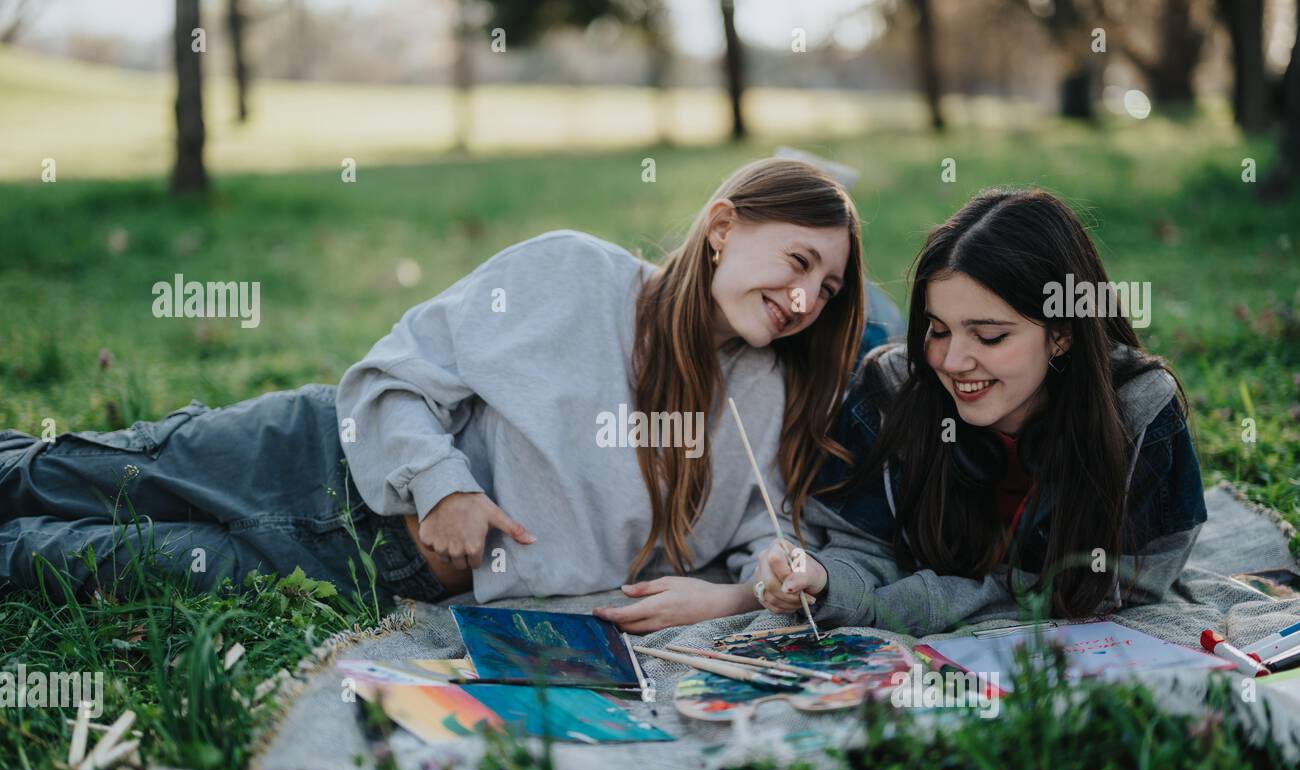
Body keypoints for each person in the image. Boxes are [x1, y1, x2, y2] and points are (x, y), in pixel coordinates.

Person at [1, 159, 872, 632]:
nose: (806, 301)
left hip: (383, 573)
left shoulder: (769, 395)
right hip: (314, 458)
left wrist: (734, 594)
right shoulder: (575, 273)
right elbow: (393, 375)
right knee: (65, 474)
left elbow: (771, 538)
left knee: (77, 569)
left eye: (828, 291)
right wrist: (444, 482)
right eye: (799, 262)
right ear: (723, 227)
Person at [752, 188, 1207, 635]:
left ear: (1062, 334)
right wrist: (822, 581)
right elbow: (859, 552)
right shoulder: (888, 395)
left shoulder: (1141, 413)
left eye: (989, 336)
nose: (952, 362)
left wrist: (927, 602)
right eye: (938, 329)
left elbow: (1129, 586)